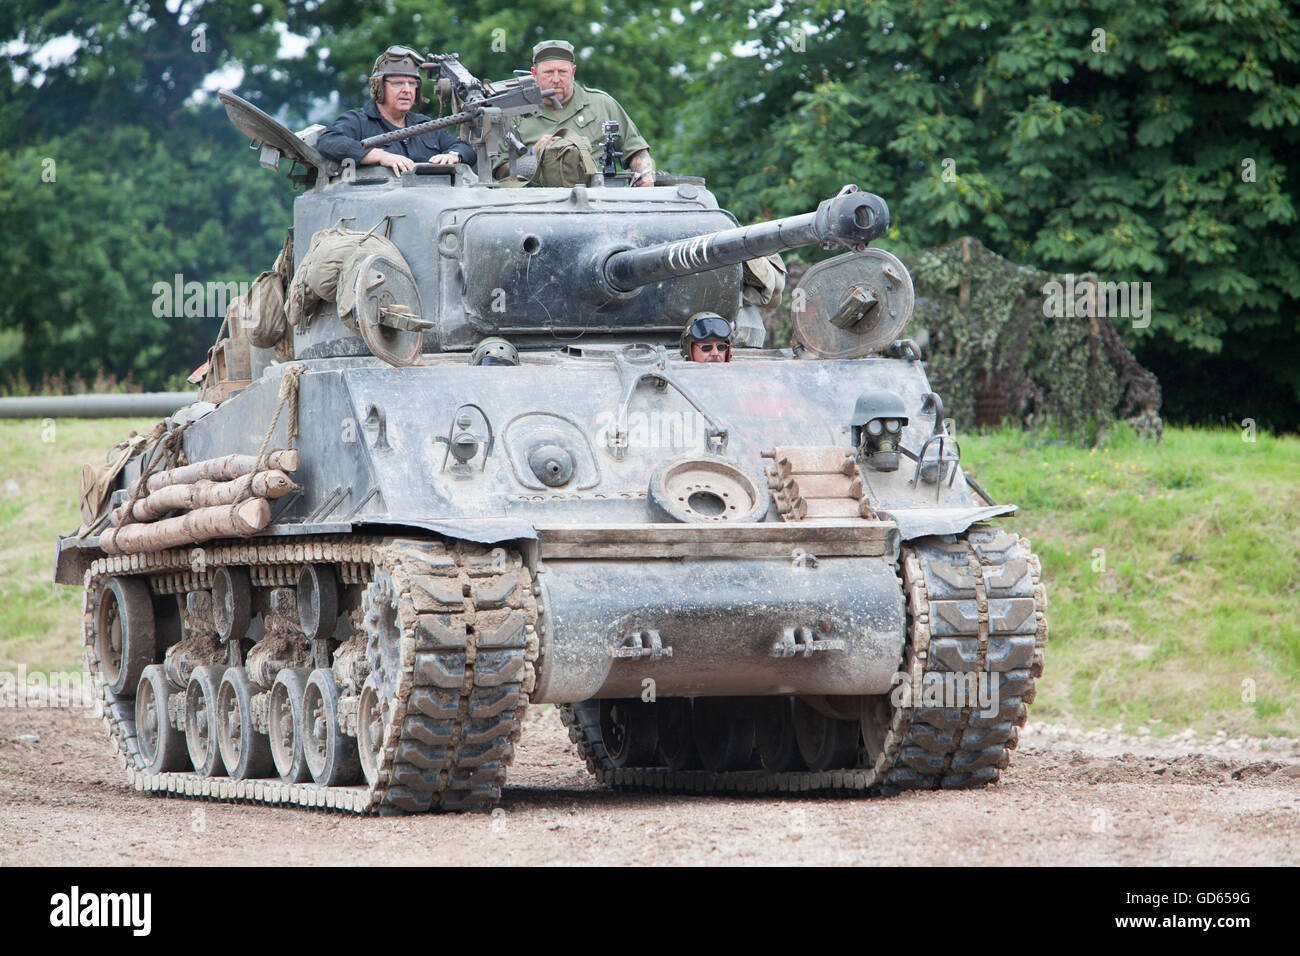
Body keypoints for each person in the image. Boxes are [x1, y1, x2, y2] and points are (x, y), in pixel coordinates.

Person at [507, 40, 655, 186]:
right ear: (534, 74)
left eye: (563, 72)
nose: (556, 79)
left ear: (573, 72)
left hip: (596, 200)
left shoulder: (601, 104)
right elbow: (502, 171)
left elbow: (636, 151)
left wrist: (645, 173)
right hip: (535, 203)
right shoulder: (516, 114)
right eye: (548, 73)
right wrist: (533, 153)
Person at [317, 46, 476, 175]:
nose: (407, 90)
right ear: (379, 88)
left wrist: (452, 156)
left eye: (411, 84)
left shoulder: (425, 126)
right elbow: (328, 142)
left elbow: (466, 149)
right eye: (398, 83)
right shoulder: (358, 122)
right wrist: (379, 156)